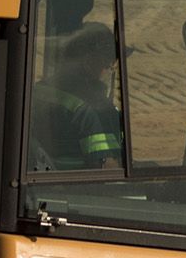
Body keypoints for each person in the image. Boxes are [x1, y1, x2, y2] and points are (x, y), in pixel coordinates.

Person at [36, 22, 123, 170]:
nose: (110, 71)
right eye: (108, 65)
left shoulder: (39, 90)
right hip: (82, 188)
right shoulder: (94, 111)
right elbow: (107, 167)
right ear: (88, 62)